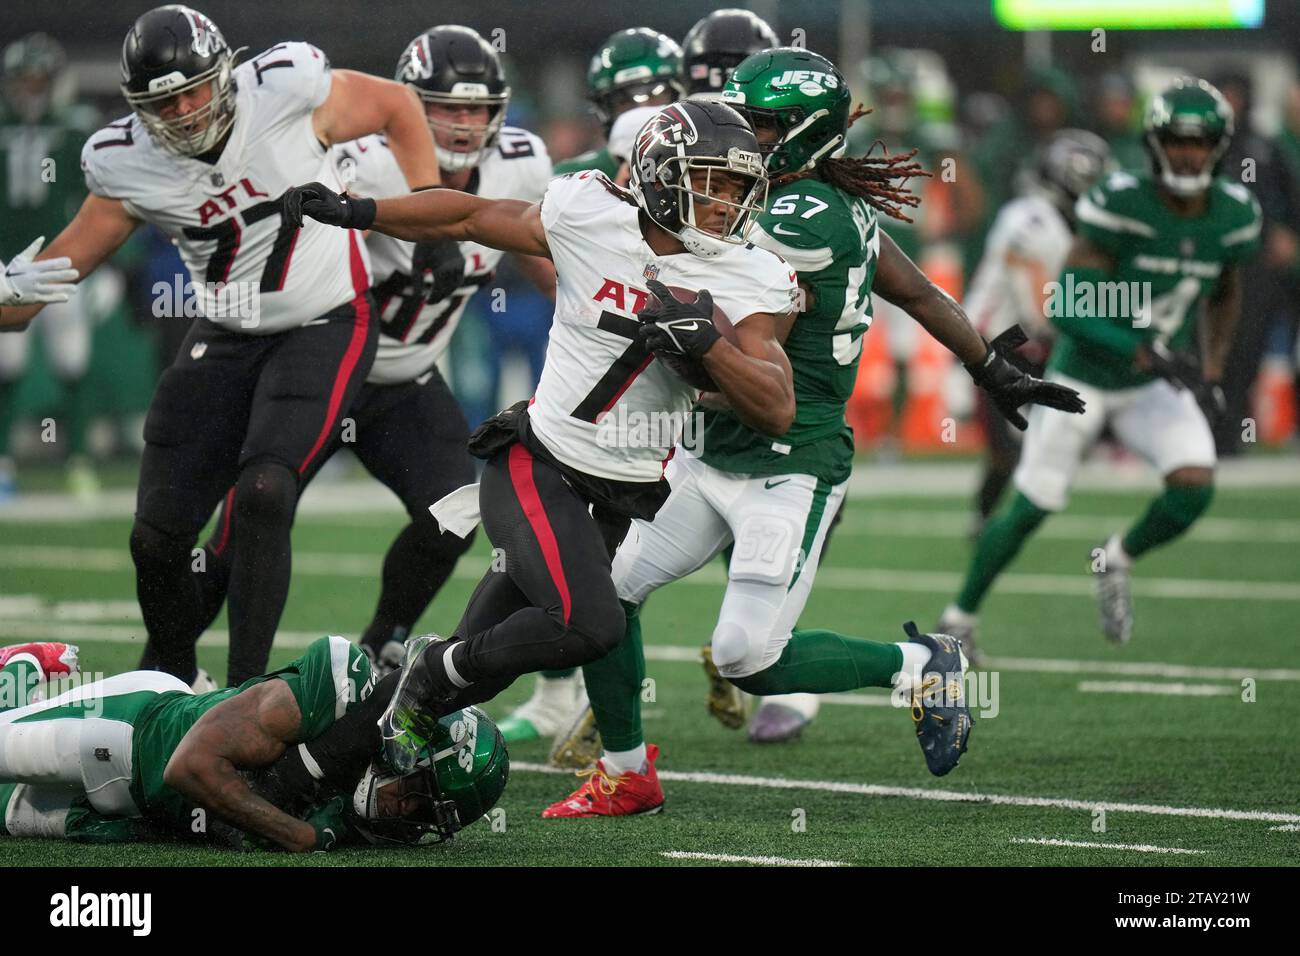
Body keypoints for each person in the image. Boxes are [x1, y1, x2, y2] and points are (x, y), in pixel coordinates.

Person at [535, 48, 1086, 816]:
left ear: (803, 136)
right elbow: (920, 293)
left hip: (789, 461)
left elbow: (670, 248)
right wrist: (989, 365)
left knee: (746, 657)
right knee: (606, 599)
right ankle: (626, 770)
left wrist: (587, 219)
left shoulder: (793, 216)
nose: (739, 136)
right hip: (709, 452)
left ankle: (921, 662)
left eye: (758, 126)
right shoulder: (814, 196)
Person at [0, 5, 441, 688]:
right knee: (155, 536)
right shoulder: (126, 163)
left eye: (193, 89)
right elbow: (36, 294)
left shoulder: (288, 89)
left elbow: (399, 105)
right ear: (138, 108)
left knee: (265, 490)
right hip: (225, 332)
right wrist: (7, 293)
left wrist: (426, 207)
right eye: (163, 100)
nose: (182, 109)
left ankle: (245, 697)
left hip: (325, 317)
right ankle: (174, 677)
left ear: (225, 75)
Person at [194, 26, 555, 678]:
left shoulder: (524, 164)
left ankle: (383, 643)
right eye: (446, 106)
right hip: (325, 363)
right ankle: (181, 665)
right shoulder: (363, 158)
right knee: (250, 513)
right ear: (412, 104)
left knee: (455, 512)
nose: (466, 123)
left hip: (408, 380)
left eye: (478, 108)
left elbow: (544, 259)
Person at [502, 11, 783, 749]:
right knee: (593, 581)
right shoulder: (623, 179)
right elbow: (511, 227)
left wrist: (713, 350)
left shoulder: (750, 221)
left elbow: (774, 373)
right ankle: (594, 721)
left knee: (617, 581)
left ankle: (587, 708)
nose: (725, 196)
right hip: (618, 419)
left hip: (687, 417)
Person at [937, 78, 1261, 654]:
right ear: (1155, 142)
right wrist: (1141, 347)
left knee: (1193, 487)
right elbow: (1066, 305)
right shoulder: (1120, 204)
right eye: (1177, 140)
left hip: (1150, 382)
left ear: (1219, 145)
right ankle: (958, 618)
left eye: (1201, 141)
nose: (1188, 153)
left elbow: (1226, 289)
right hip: (1082, 377)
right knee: (1032, 504)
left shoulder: (1234, 216)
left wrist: (1211, 372)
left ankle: (1115, 558)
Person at [0, 638, 508, 849]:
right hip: (128, 735)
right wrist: (297, 836)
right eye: (417, 791)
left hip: (130, 815)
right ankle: (17, 674)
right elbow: (190, 768)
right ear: (407, 744)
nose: (408, 811)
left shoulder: (364, 822)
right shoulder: (328, 695)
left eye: (425, 814)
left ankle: (18, 678)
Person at [964, 129, 1111, 542]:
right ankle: (983, 521)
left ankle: (1006, 519)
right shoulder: (1028, 220)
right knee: (1005, 452)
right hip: (995, 343)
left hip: (1037, 343)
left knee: (1044, 443)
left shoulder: (1073, 224)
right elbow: (1040, 306)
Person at [0, 34, 98, 500]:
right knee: (7, 366)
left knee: (72, 363)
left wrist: (103, 263)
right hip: (4, 265)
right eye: (25, 80)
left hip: (61, 261)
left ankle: (78, 461)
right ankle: (3, 464)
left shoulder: (76, 128)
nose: (32, 89)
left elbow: (99, 202)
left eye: (40, 80)